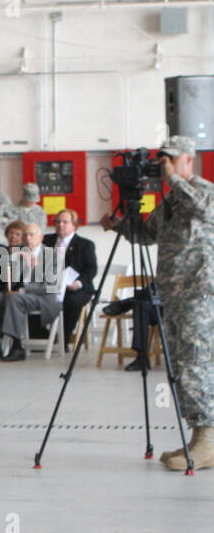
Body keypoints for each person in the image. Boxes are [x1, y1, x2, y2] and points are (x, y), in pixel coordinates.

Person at [103, 136, 214, 469]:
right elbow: (147, 236)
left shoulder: (203, 192)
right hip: (173, 296)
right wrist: (120, 225)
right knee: (179, 366)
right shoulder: (169, 201)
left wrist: (174, 179)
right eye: (161, 159)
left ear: (187, 160)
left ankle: (208, 437)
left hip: (199, 293)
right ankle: (198, 436)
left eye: (170, 158)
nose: (164, 164)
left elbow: (201, 208)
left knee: (196, 362)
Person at [0, 221, 58, 361]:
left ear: (41, 238)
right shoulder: (18, 253)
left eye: (32, 235)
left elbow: (49, 287)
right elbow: (6, 279)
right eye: (25, 235)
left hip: (43, 298)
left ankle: (17, 346)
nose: (28, 238)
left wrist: (22, 289)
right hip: (17, 295)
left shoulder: (50, 255)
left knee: (14, 299)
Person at [51, 209, 98, 350]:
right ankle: (44, 337)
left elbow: (91, 269)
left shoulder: (85, 244)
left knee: (71, 301)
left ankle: (63, 339)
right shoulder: (46, 240)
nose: (60, 225)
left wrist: (79, 282)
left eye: (65, 222)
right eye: (58, 222)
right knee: (32, 298)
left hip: (76, 287)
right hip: (51, 285)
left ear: (74, 225)